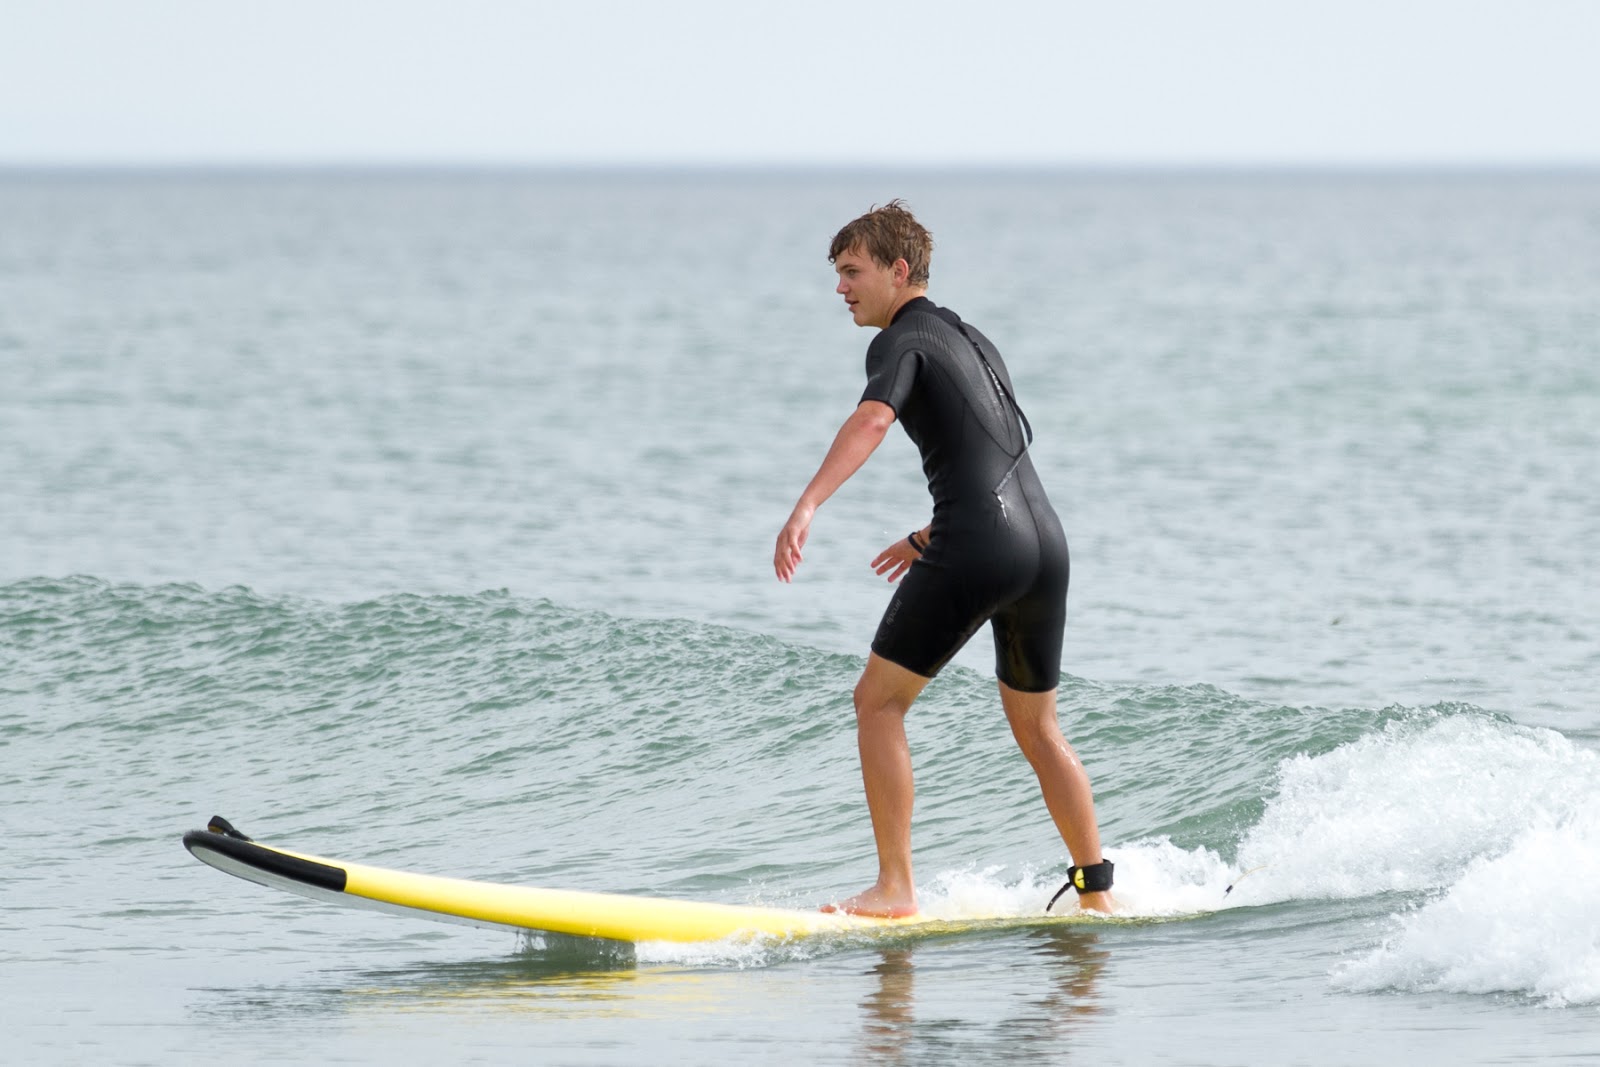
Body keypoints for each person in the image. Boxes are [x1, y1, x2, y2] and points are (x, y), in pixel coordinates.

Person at [773, 201, 1115, 917]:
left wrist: (807, 505)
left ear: (899, 272)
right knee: (1039, 726)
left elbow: (873, 417)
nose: (841, 288)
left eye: (852, 271)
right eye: (838, 274)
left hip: (979, 541)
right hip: (1044, 545)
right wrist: (931, 534)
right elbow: (998, 453)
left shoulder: (898, 339)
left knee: (877, 702)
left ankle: (896, 887)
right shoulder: (973, 337)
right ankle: (1096, 894)